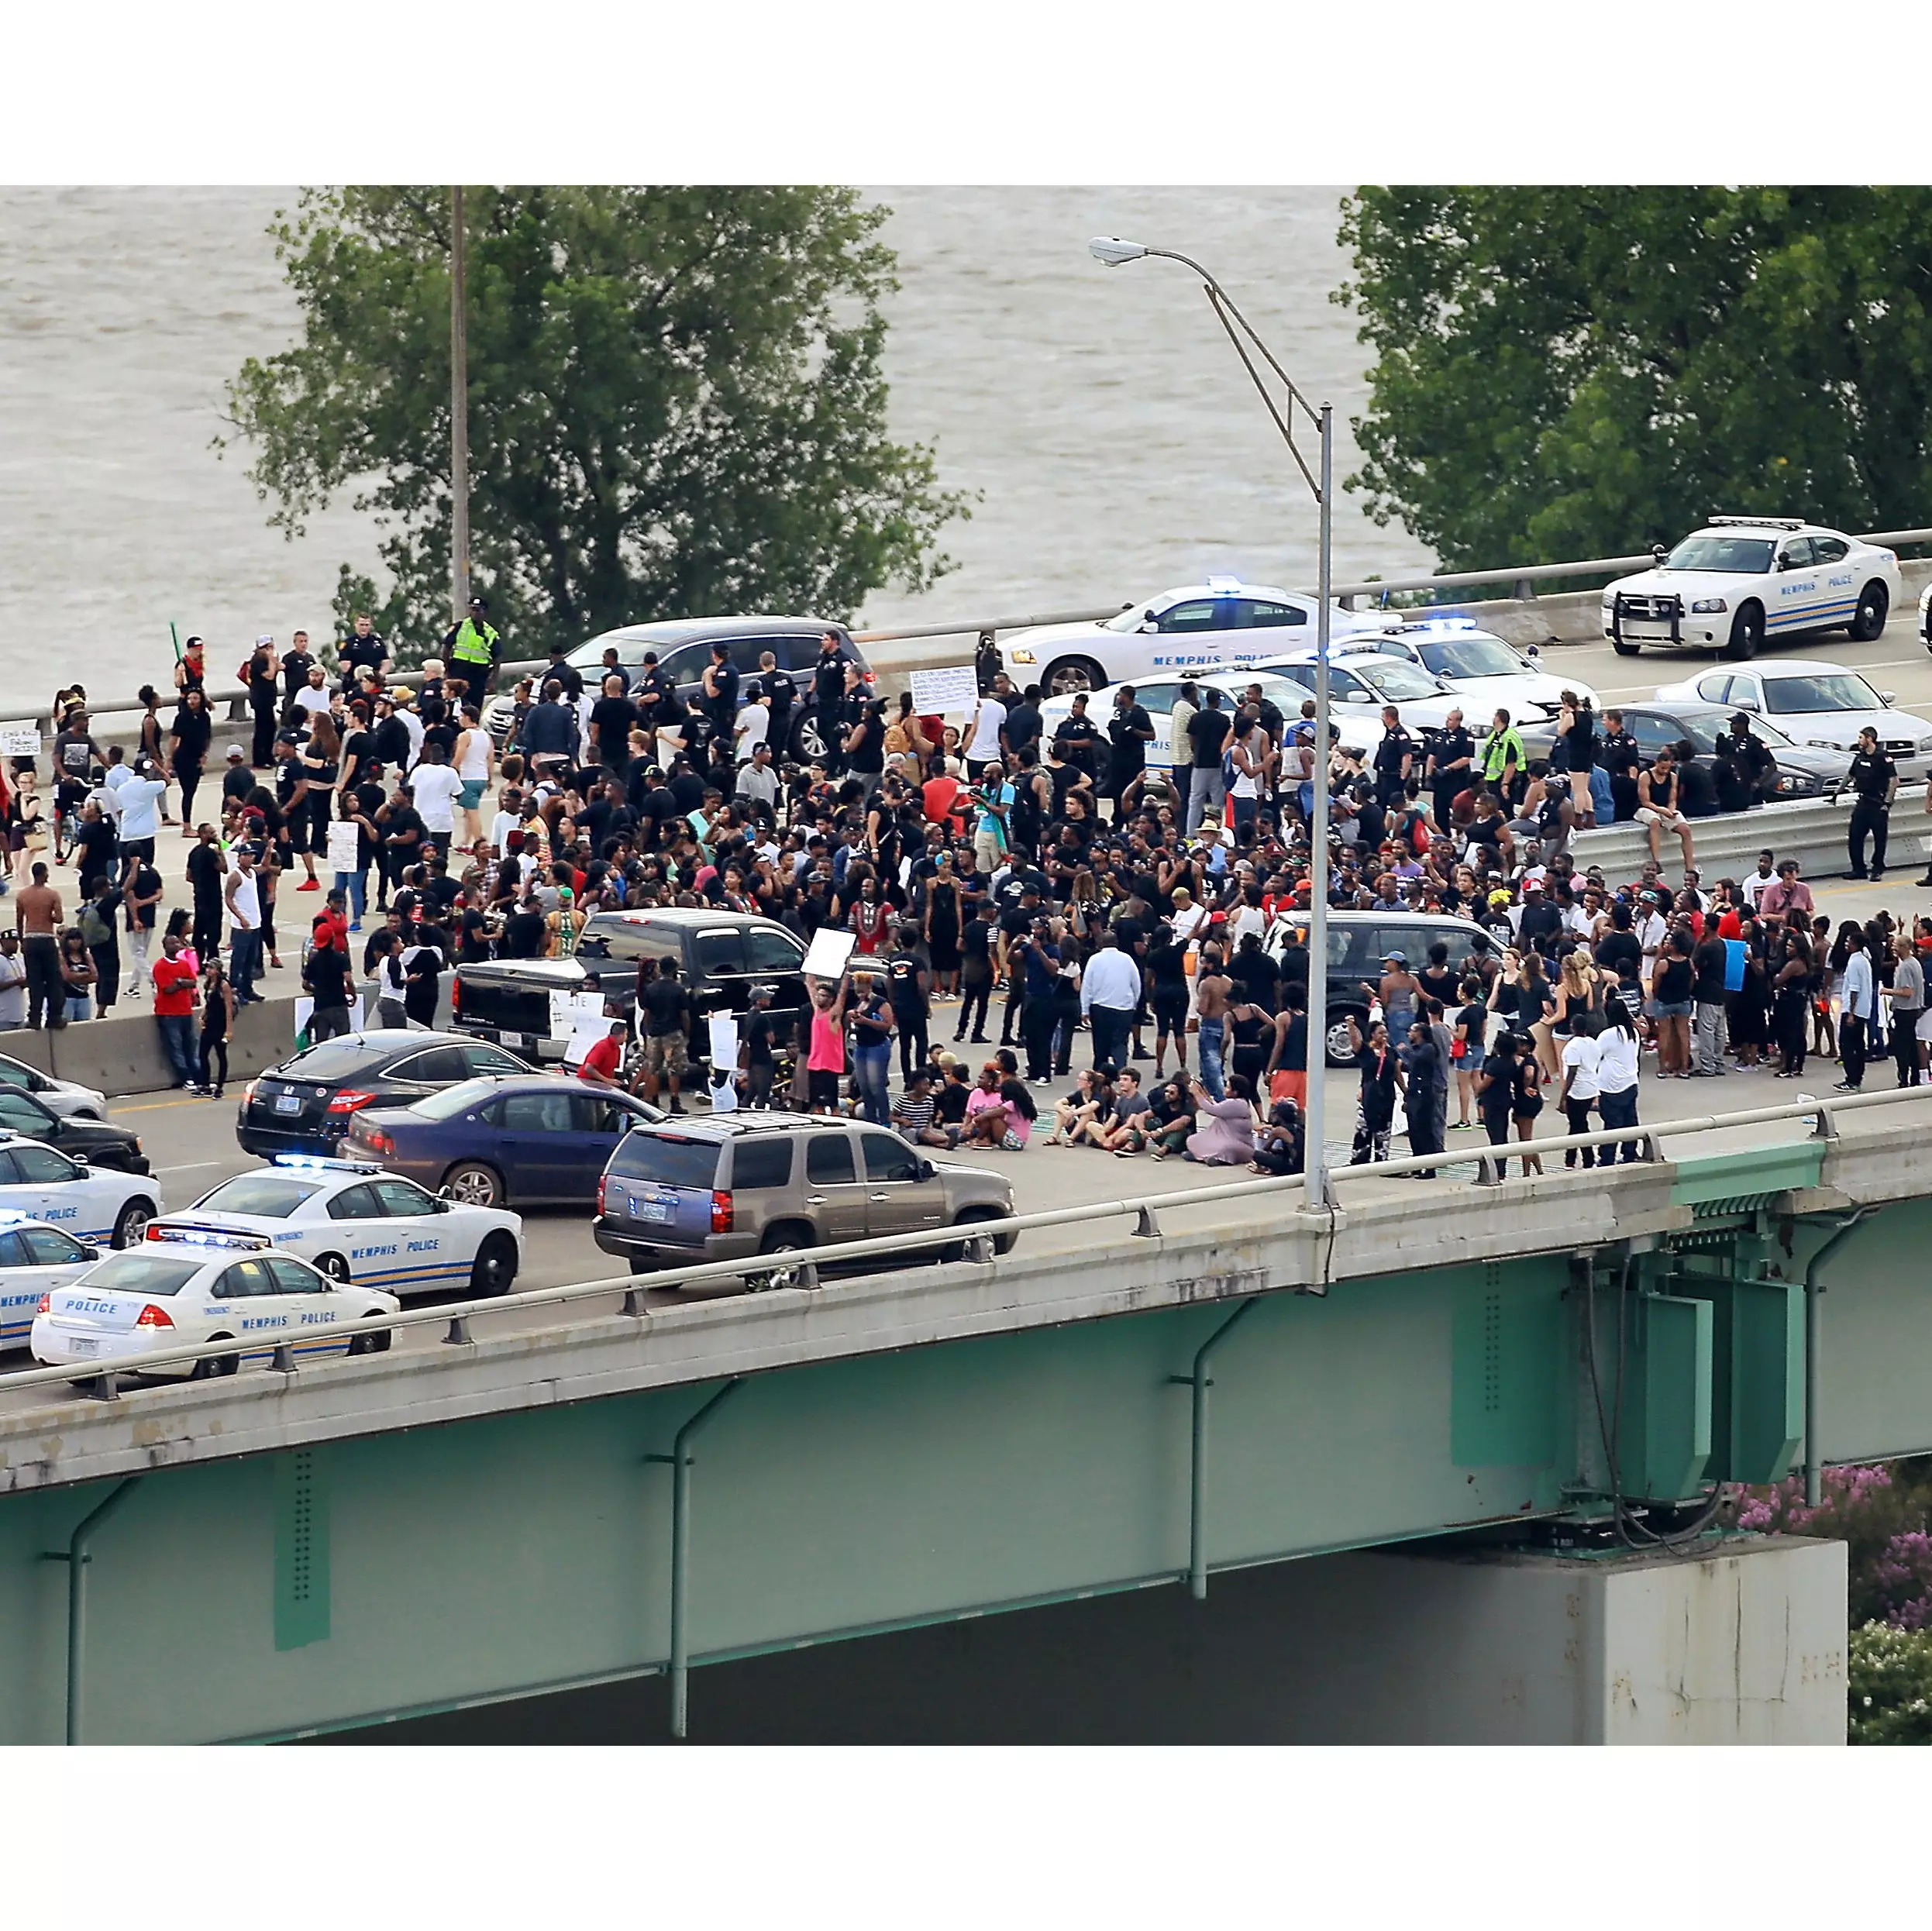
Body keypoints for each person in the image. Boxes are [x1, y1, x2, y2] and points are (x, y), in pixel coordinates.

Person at [1844, 725, 1899, 880]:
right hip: (1864, 801)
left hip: (1878, 803)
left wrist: (1887, 803)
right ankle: (1859, 869)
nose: (1859, 741)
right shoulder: (1859, 757)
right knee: (1855, 836)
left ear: (1870, 738)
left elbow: (1894, 781)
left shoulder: (1883, 757)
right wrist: (1837, 793)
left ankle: (1877, 868)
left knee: (1880, 838)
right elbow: (1849, 776)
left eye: (1861, 737)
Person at [15, 862, 64, 1028]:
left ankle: (35, 1018)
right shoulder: (52, 894)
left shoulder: (22, 895)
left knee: (34, 981)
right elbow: (59, 918)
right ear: (44, 874)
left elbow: (19, 920)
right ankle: (54, 1017)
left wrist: (22, 941)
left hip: (30, 938)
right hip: (47, 937)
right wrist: (48, 915)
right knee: (53, 980)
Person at [150, 931, 200, 1086]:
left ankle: (198, 1076)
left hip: (186, 1011)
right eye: (172, 943)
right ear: (165, 946)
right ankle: (185, 1078)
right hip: (168, 1014)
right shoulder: (160, 966)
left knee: (191, 1046)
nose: (176, 945)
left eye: (177, 942)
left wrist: (179, 982)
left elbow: (193, 982)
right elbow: (168, 989)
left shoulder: (184, 964)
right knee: (175, 1047)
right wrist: (181, 983)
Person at [1635, 748, 1695, 874]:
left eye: (1667, 768)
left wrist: (1671, 810)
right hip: (1647, 807)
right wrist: (1661, 810)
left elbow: (1673, 799)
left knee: (1685, 829)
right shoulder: (1645, 776)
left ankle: (1690, 867)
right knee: (1655, 821)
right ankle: (1657, 862)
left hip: (1665, 808)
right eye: (1662, 768)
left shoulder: (1673, 777)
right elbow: (1645, 801)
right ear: (1656, 763)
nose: (1665, 771)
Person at [850, 972, 895, 1126]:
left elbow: (887, 1025)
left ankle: (884, 1120)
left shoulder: (881, 1003)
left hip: (878, 1046)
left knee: (877, 1086)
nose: (860, 994)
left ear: (869, 988)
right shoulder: (858, 1004)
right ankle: (870, 1119)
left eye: (862, 991)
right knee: (864, 1086)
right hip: (861, 1046)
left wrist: (866, 1021)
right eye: (857, 991)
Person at [1558, 1011, 1602, 1168]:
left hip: (1577, 1091)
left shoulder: (1572, 1047)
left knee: (1579, 1125)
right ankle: (1571, 1158)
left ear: (1572, 1027)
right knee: (1577, 1124)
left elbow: (1572, 1073)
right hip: (1591, 1088)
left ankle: (1586, 1159)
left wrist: (1563, 1097)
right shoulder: (1593, 1043)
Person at [1185, 1072, 1258, 1165]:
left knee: (1225, 1148)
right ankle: (1205, 1157)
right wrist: (1201, 1090)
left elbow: (1211, 1109)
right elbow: (1214, 1105)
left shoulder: (1238, 1104)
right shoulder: (1232, 1102)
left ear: (1235, 1092)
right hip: (1223, 1139)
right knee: (1193, 1140)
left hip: (1240, 1146)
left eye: (1227, 1087)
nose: (1224, 1089)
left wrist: (1196, 1093)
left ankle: (1207, 1157)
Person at [301, 924, 355, 1043]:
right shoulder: (341, 958)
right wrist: (352, 993)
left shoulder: (313, 960)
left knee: (321, 1044)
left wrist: (319, 991)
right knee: (344, 1042)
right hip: (338, 1006)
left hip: (320, 1007)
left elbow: (305, 984)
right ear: (333, 939)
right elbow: (349, 980)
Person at [194, 956, 236, 1097]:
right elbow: (208, 1003)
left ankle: (220, 1086)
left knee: (221, 1055)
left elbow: (228, 1008)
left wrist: (229, 1030)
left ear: (218, 970)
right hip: (209, 1023)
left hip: (220, 1024)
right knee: (202, 1054)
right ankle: (205, 1084)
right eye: (207, 968)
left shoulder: (224, 986)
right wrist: (202, 1015)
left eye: (211, 968)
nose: (208, 971)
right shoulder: (208, 985)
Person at [443, 595, 501, 696]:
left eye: (478, 610)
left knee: (475, 705)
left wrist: (493, 680)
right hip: (459, 670)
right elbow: (446, 647)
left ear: (484, 612)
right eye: (473, 609)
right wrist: (446, 669)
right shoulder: (460, 626)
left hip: (479, 673)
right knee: (457, 703)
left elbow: (498, 657)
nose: (475, 613)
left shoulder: (490, 633)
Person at [57, 927, 96, 1023]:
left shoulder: (87, 956)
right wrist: (84, 975)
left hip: (83, 997)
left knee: (84, 1026)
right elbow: (66, 976)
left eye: (78, 939)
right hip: (67, 997)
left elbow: (95, 976)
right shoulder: (62, 956)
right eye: (72, 939)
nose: (76, 942)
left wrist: (76, 976)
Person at [577, 1017, 629, 1088]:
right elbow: (588, 1068)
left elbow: (611, 1070)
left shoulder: (617, 1049)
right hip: (587, 1083)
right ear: (621, 1035)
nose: (626, 1038)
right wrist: (607, 1080)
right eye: (626, 1034)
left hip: (601, 1084)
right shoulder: (602, 1046)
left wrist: (613, 1082)